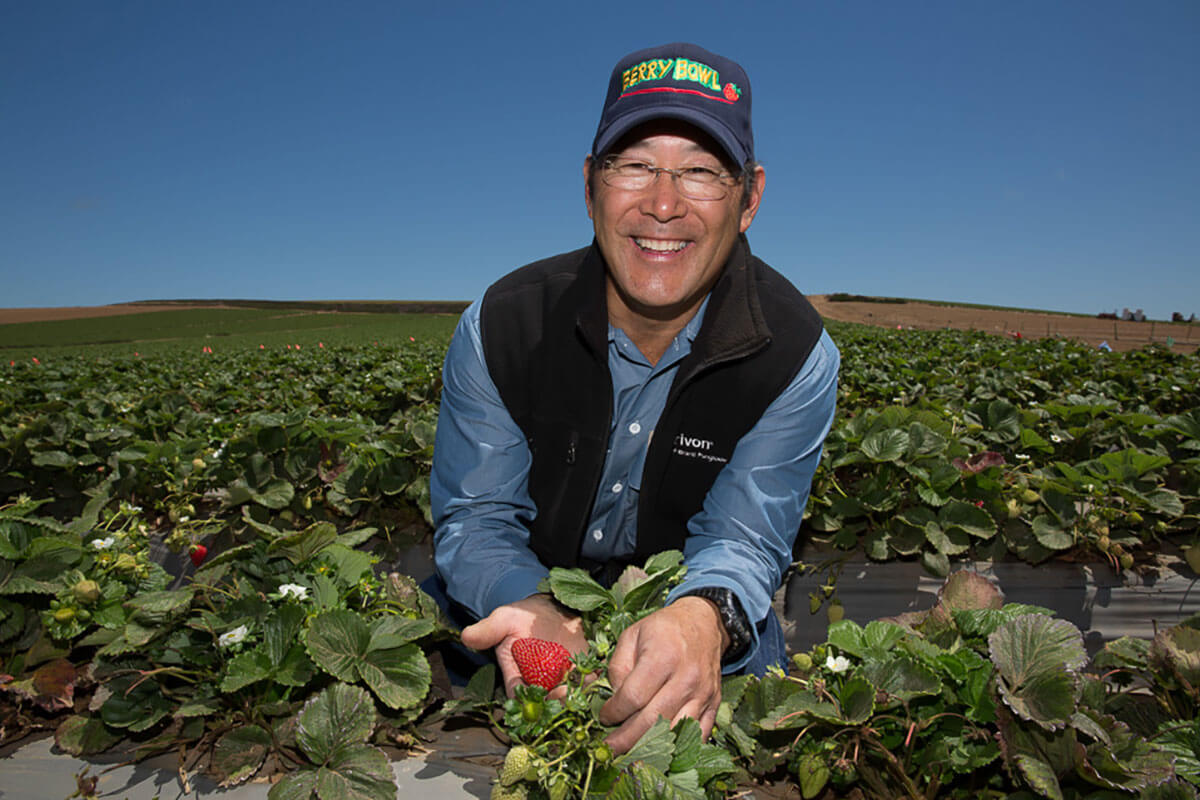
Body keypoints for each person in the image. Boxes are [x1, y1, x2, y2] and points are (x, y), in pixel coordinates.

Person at [430, 42, 840, 753]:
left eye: (701, 172)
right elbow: (478, 515)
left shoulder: (797, 354)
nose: (662, 203)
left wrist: (703, 618)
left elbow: (745, 538)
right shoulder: (501, 325)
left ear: (750, 198)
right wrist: (530, 606)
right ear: (591, 185)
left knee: (733, 733)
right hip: (533, 589)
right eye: (636, 165)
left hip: (683, 600)